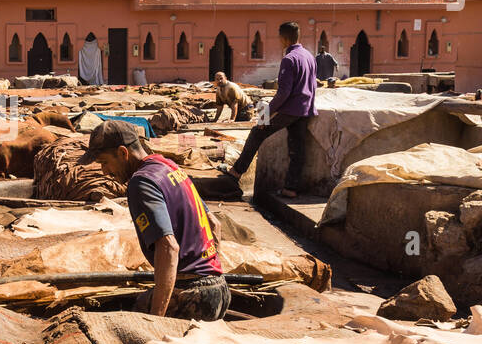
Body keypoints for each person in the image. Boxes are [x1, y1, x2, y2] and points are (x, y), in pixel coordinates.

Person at [82, 119, 229, 320]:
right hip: (220, 289)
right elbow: (214, 224)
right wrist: (213, 274)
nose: (104, 172)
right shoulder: (169, 166)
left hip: (190, 295)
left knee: (124, 324)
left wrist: (155, 320)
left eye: (105, 162)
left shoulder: (141, 182)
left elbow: (168, 248)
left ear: (123, 153)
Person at [219, 21, 318, 198]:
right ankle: (290, 188)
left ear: (284, 39)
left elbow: (284, 92)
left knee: (257, 132)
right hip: (306, 109)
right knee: (297, 148)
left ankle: (236, 172)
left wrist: (265, 114)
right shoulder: (309, 56)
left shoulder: (289, 59)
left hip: (289, 110)